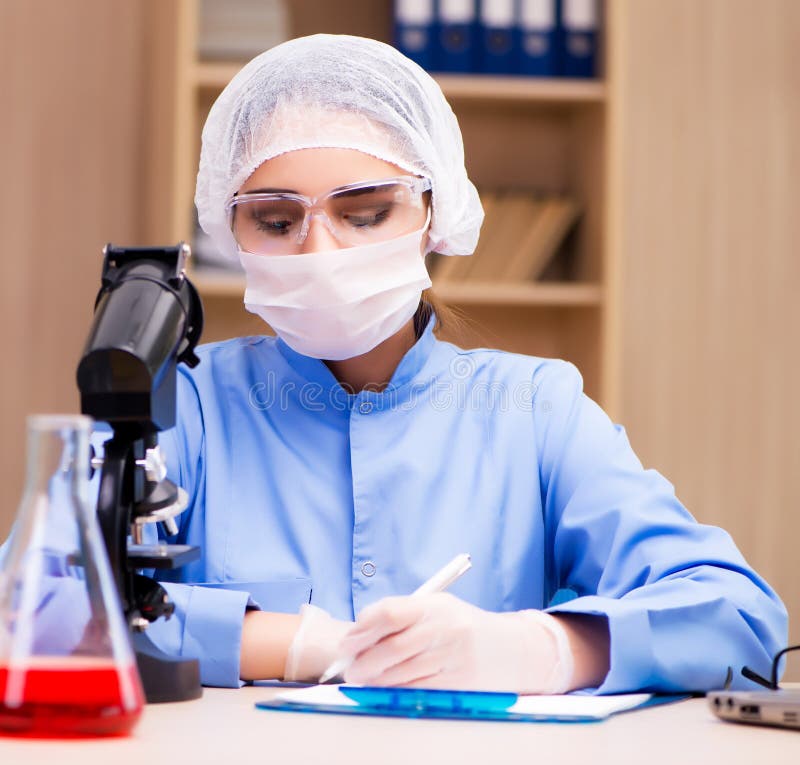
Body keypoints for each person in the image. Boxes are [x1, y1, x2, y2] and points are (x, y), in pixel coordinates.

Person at [12, 34, 789, 694]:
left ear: (434, 214)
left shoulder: (536, 410)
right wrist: (297, 645)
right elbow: (25, 604)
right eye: (277, 220)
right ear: (230, 229)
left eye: (365, 213)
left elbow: (740, 618)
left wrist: (539, 649)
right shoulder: (185, 406)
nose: (320, 252)